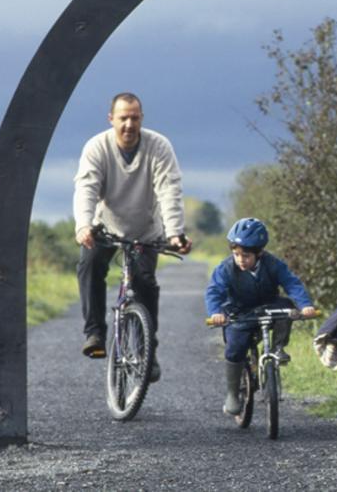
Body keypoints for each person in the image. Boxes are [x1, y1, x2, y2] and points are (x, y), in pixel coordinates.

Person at [73, 92, 191, 380]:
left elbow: (169, 190)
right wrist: (83, 225)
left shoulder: (159, 146)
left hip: (145, 229)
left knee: (144, 284)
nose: (129, 124)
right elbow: (86, 188)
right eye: (123, 118)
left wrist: (175, 233)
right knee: (90, 266)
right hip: (104, 228)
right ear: (111, 119)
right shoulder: (97, 147)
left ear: (141, 119)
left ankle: (148, 350)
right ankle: (94, 334)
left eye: (134, 118)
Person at [206, 217, 316, 415]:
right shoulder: (226, 268)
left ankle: (278, 348)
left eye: (246, 255)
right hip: (239, 312)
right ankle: (233, 393)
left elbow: (291, 283)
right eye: (236, 254)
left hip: (268, 307)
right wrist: (216, 312)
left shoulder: (273, 264)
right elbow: (214, 291)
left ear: (259, 253)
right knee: (235, 349)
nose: (241, 260)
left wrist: (305, 305)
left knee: (287, 309)